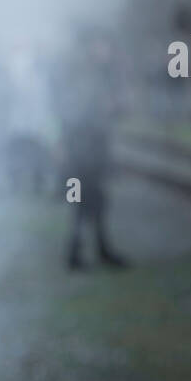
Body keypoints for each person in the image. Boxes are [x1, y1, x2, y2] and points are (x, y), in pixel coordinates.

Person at [51, 26, 128, 271]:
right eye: (102, 45)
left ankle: (92, 250)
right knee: (86, 202)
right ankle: (81, 253)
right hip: (83, 150)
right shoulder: (84, 75)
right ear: (92, 47)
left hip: (92, 148)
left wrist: (115, 108)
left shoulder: (97, 73)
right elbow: (74, 113)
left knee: (94, 202)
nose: (106, 50)